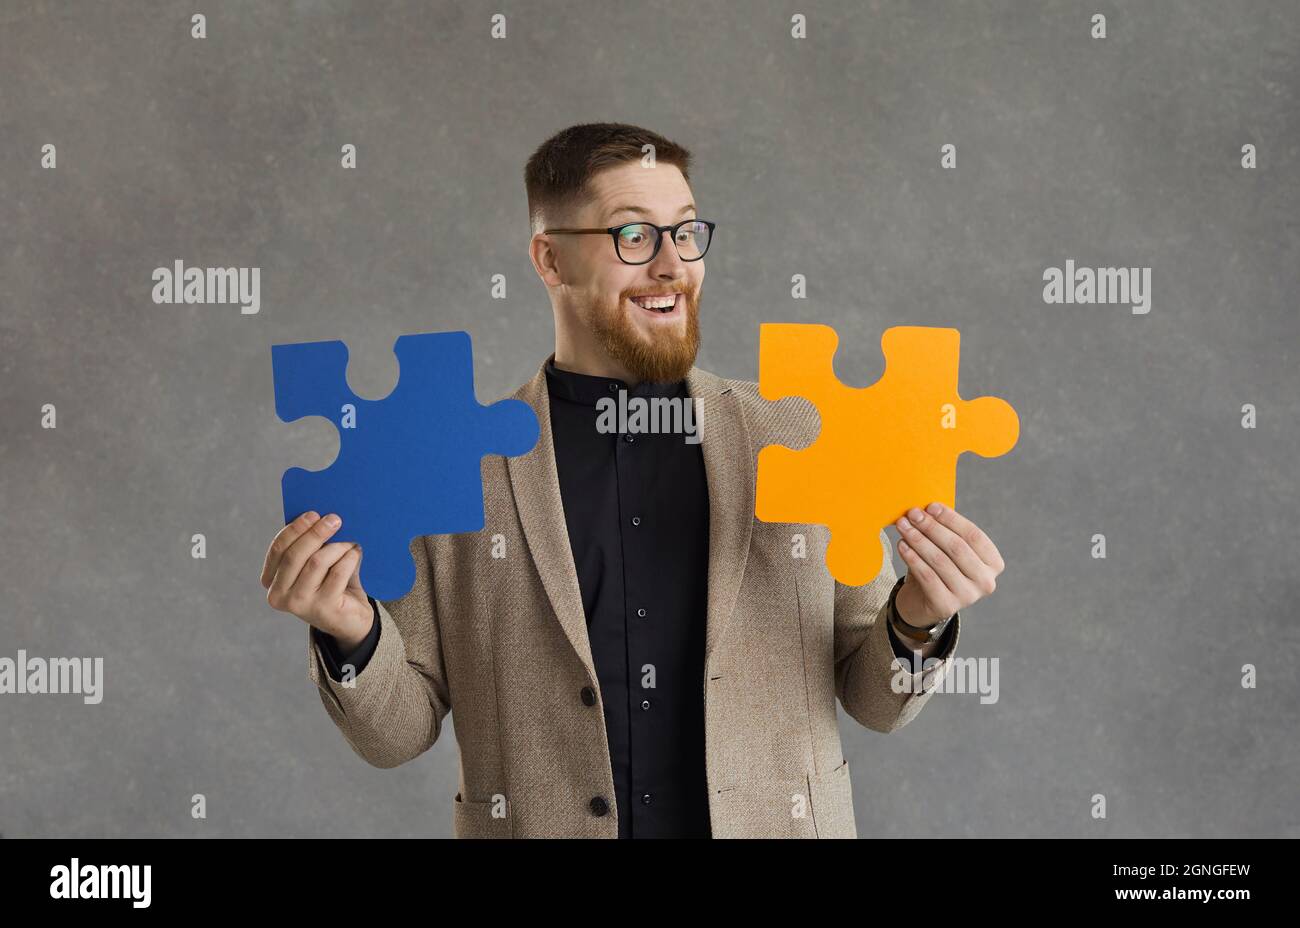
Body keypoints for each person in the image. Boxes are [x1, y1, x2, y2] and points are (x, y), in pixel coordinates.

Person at [261, 122, 1005, 838]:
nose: (672, 265)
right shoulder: (457, 461)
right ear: (550, 260)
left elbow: (876, 700)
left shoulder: (794, 436)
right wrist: (350, 632)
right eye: (633, 235)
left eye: (685, 231)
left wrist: (918, 614)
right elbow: (398, 732)